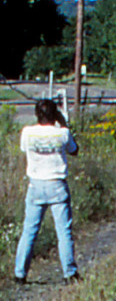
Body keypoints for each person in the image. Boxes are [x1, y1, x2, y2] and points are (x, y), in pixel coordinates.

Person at [14, 99, 79, 285]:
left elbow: (23, 149)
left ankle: (20, 273)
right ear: (55, 114)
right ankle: (69, 272)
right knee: (64, 231)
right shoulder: (63, 133)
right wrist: (64, 123)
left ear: (37, 114)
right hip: (57, 183)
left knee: (29, 230)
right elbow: (74, 150)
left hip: (35, 184)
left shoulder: (27, 132)